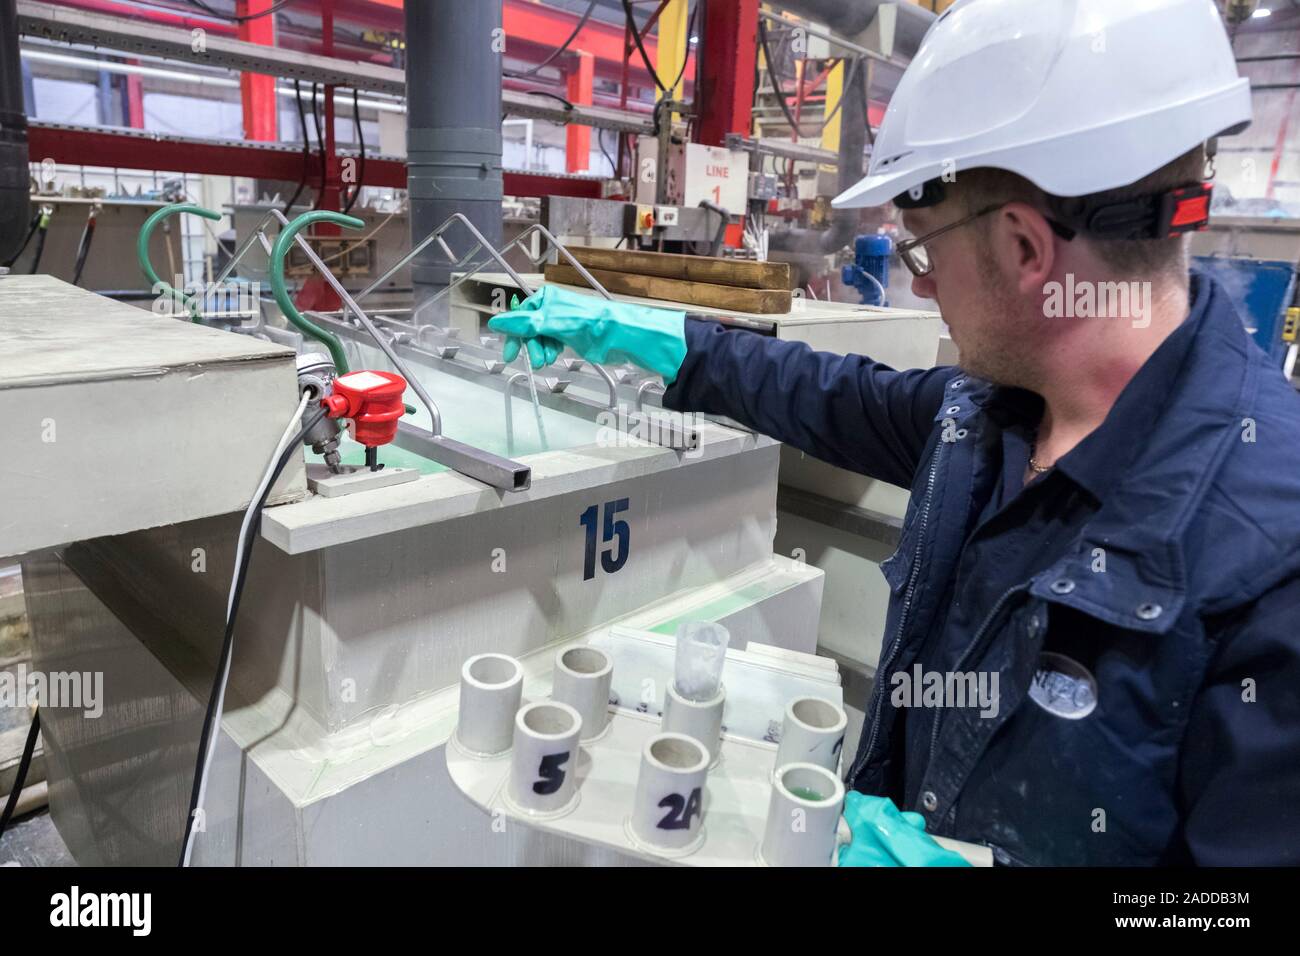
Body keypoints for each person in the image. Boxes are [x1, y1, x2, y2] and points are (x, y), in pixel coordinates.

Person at [490, 0, 1300, 866]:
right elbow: (825, 393)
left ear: (1027, 249)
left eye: (922, 252)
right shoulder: (987, 418)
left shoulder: (1269, 560)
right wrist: (652, 336)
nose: (919, 290)